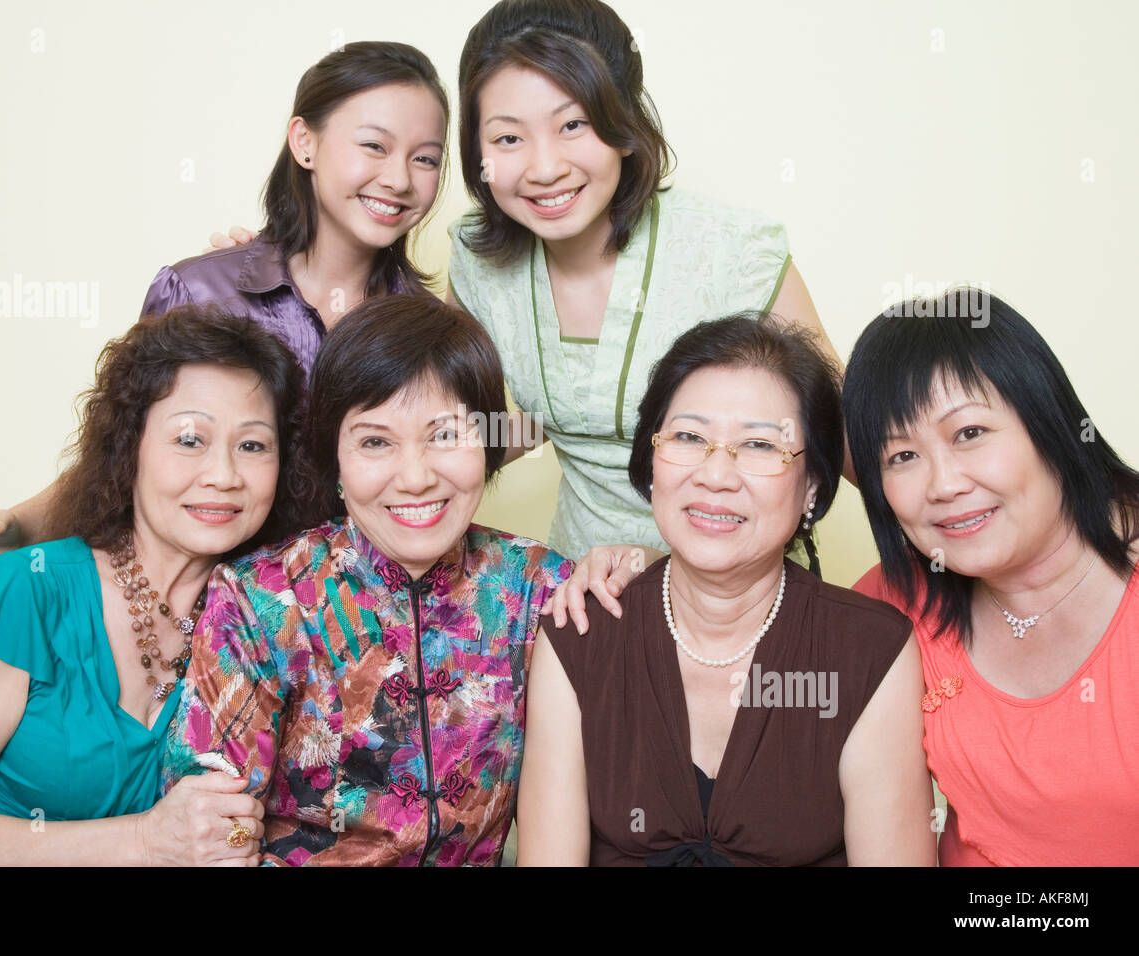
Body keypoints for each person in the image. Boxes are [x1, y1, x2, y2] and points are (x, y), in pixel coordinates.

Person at [0, 41, 450, 592]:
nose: (399, 179)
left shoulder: (423, 328)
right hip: (194, 618)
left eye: (425, 158)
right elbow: (131, 452)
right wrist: (19, 524)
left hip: (356, 629)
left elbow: (455, 456)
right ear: (305, 142)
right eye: (374, 145)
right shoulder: (205, 291)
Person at [0, 308, 304, 866]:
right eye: (190, 439)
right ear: (129, 445)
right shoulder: (27, 591)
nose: (224, 474)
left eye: (253, 446)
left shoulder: (265, 628)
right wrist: (144, 841)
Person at [161, 295, 573, 866]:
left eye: (446, 434)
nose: (415, 477)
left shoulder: (538, 587)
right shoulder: (259, 600)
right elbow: (210, 831)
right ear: (335, 456)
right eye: (375, 441)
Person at [517, 315, 934, 866]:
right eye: (689, 437)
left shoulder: (869, 651)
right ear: (651, 463)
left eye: (760, 445)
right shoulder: (582, 633)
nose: (716, 475)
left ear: (812, 485)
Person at [446, 0, 842, 560]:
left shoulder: (731, 250)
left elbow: (839, 433)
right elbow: (482, 430)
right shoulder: (476, 257)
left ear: (624, 125)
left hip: (738, 585)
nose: (544, 167)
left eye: (574, 124)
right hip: (585, 588)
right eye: (508, 138)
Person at [846, 289, 1139, 866]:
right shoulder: (894, 602)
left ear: (1049, 422)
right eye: (901, 456)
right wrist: (643, 563)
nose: (944, 484)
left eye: (970, 433)